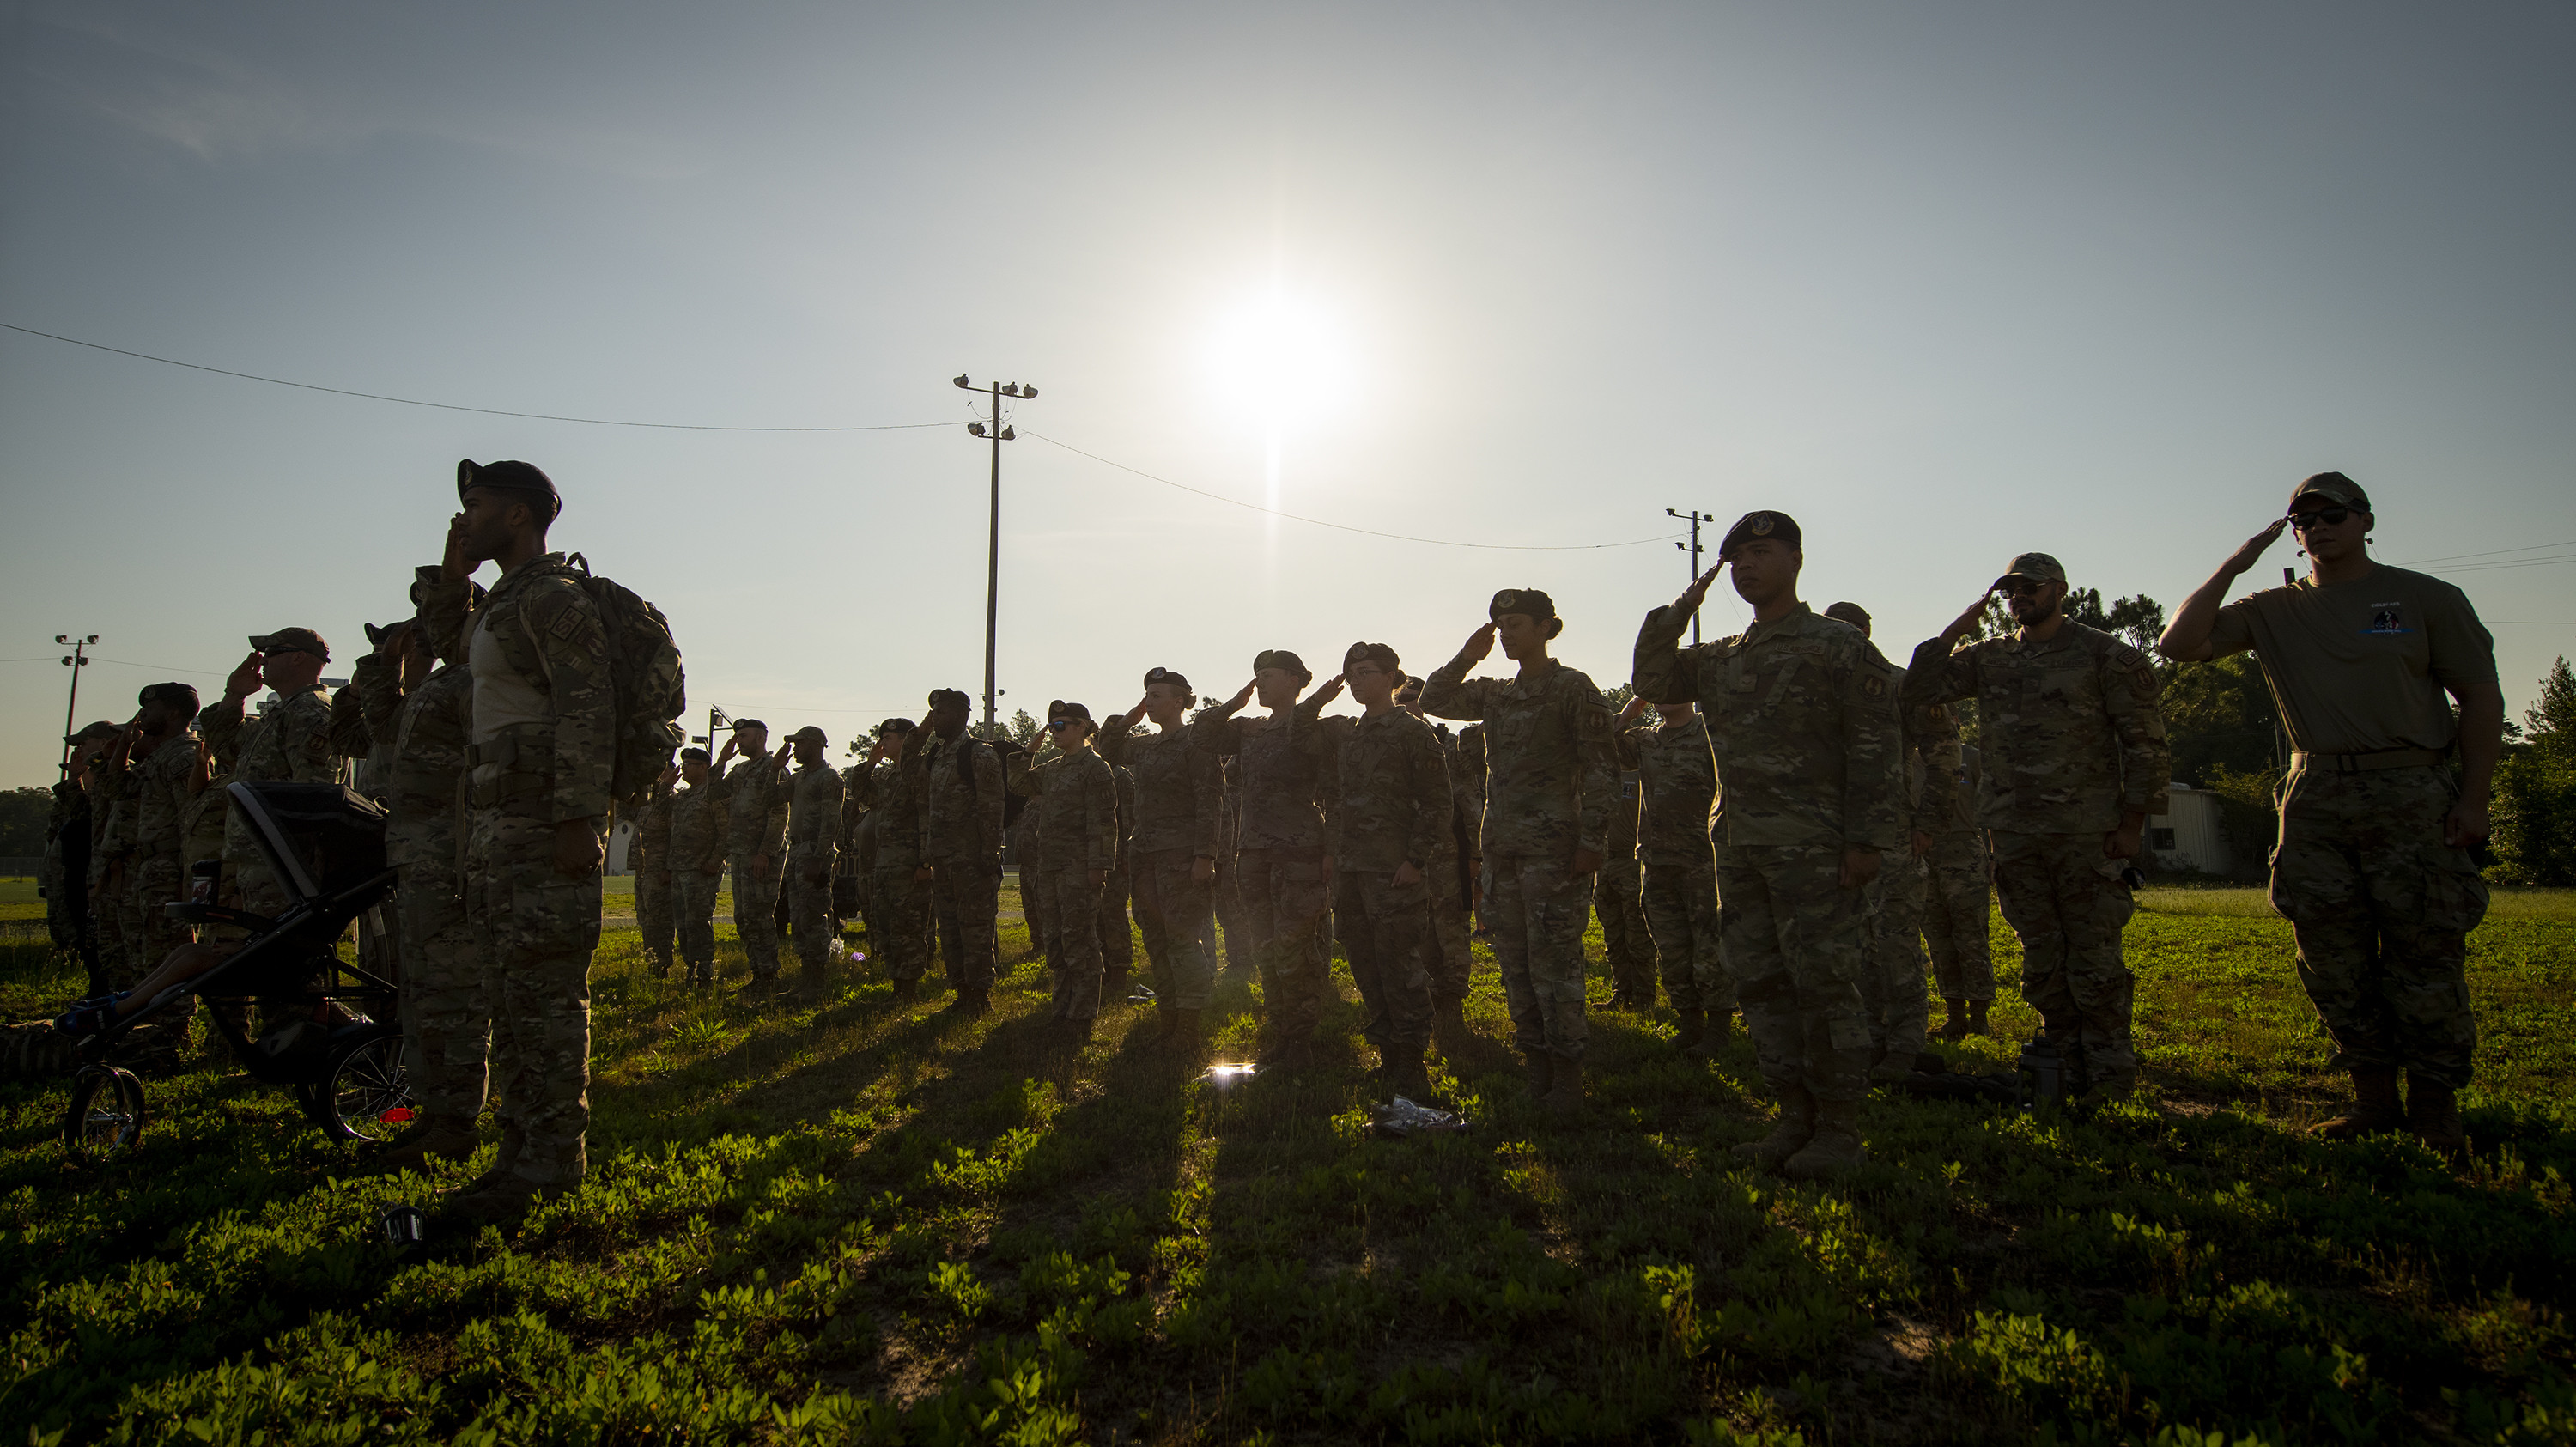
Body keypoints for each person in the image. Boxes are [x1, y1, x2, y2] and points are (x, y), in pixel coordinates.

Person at [2157, 471, 2500, 1152]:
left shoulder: (2427, 598)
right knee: (2331, 956)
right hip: (2316, 795)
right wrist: (2235, 563)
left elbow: (2481, 698)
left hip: (2411, 789)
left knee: (2425, 950)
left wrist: (2475, 797)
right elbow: (2178, 643)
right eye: (2303, 518)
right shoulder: (2273, 608)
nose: (2317, 526)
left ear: (2366, 519)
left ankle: (2434, 1108)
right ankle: (2373, 1100)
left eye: (2332, 513)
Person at [1634, 513, 1903, 1178]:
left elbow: (1875, 750)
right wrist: (1677, 608)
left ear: (1796, 559)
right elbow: (1652, 680)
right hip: (1742, 847)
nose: (1746, 566)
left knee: (1825, 984)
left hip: (1817, 847)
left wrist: (1866, 840)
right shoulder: (1723, 655)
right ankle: (1792, 1116)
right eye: (1737, 559)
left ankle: (1839, 1128)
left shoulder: (1839, 646)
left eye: (1760, 552)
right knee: (1760, 982)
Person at [420, 457, 615, 1221]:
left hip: (543, 822)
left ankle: (552, 1164)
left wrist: (576, 819)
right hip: (499, 822)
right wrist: (450, 566)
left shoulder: (554, 598)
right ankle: (517, 1156)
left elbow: (588, 706)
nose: (462, 516)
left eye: (475, 504)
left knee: (545, 996)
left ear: (517, 515)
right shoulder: (496, 605)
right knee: (508, 991)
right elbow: (449, 646)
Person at [1907, 550, 2169, 1104]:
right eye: (2010, 590)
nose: (2019, 597)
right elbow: (1922, 684)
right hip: (2015, 833)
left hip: (2086, 832)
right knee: (2042, 956)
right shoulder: (1991, 658)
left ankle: (2111, 1075)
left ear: (2059, 590)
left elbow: (2144, 743)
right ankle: (2064, 1066)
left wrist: (2133, 825)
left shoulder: (2105, 655)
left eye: (2030, 587)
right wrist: (1962, 623)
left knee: (2094, 957)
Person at [1420, 588, 1617, 1118]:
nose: (1505, 633)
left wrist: (1592, 842)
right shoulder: (1495, 695)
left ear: (1546, 628)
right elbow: (1432, 699)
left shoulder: (1572, 688)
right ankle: (1536, 1068)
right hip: (1502, 849)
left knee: (1556, 963)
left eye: (1515, 624)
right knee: (1515, 963)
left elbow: (1602, 770)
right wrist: (1467, 655)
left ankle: (1570, 1078)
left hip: (1555, 852)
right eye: (1499, 625)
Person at [368, 605, 486, 1172]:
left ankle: (457, 1120)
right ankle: (432, 1111)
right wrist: (387, 665)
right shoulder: (439, 683)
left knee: (457, 996)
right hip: (418, 862)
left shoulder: (477, 680)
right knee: (420, 992)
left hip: (454, 862)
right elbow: (380, 728)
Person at [1823, 600, 1955, 1082]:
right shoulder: (1819, 687)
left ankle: (1903, 1045)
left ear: (1866, 633)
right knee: (1850, 944)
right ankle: (1867, 1039)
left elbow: (1944, 758)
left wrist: (1927, 825)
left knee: (1896, 942)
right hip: (1832, 837)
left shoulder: (1904, 685)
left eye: (1851, 631)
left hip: (1893, 836)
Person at [1195, 651, 1340, 1067]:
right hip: (1253, 853)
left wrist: (1331, 849)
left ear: (1296, 680)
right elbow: (1201, 735)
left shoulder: (1313, 728)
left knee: (1297, 949)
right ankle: (1282, 1033)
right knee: (1266, 948)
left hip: (1299, 852)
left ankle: (1302, 1040)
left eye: (1268, 675)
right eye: (1255, 675)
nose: (1259, 681)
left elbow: (1333, 790)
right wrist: (1233, 704)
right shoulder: (1247, 730)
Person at [1324, 643, 1448, 1095]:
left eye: (1366, 672)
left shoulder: (1412, 733)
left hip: (1395, 870)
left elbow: (1437, 802)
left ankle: (1413, 1060)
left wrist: (1416, 860)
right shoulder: (1352, 734)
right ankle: (1387, 1052)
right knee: (1364, 961)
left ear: (1392, 676)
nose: (1356, 680)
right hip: (1355, 870)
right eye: (1351, 673)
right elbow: (1339, 803)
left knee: (1399, 963)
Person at [1099, 669, 1224, 1050]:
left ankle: (1189, 1028)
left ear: (1179, 701)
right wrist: (1129, 718)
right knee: (1155, 940)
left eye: (1156, 696)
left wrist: (1205, 855)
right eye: (1146, 696)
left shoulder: (1196, 745)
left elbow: (1210, 801)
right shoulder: (1146, 745)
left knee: (1184, 941)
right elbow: (1107, 748)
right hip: (1147, 858)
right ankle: (1167, 1020)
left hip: (1182, 858)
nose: (1149, 702)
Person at [202, 627, 342, 925]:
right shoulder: (283, 712)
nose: (262, 661)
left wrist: (291, 864)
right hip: (261, 858)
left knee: (283, 959)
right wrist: (234, 695)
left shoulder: (310, 711)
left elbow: (312, 795)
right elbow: (227, 749)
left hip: (283, 862)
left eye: (272, 652)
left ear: (298, 658)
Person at [1625, 695, 1732, 1059]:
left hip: (1702, 861)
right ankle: (1690, 1023)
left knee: (1709, 949)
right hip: (1657, 862)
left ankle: (1719, 1028)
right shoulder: (1645, 739)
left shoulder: (1709, 734)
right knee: (1671, 950)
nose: (1665, 696)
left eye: (1673, 687)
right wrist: (1627, 712)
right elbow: (1597, 741)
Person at [1006, 702, 1119, 1045]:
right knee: (1055, 940)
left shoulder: (1095, 769)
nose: (1054, 731)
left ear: (1082, 728)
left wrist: (1099, 866)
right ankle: (1061, 1010)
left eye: (1061, 725)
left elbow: (1104, 823)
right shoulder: (1053, 768)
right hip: (1051, 866)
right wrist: (1027, 751)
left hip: (1079, 868)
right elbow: (1016, 784)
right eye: (1052, 725)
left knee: (1080, 940)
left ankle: (1082, 1015)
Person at [1397, 676, 1479, 1037]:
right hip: (1409, 852)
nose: (1407, 705)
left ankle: (1454, 993)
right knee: (1421, 924)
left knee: (1451, 922)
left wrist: (1476, 851)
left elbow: (1469, 801)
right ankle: (1430, 987)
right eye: (1401, 701)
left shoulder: (1447, 743)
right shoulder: (1394, 746)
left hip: (1447, 850)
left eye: (1412, 698)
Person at [916, 690, 1005, 1016]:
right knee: (950, 928)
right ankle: (961, 991)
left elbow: (992, 807)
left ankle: (980, 995)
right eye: (933, 712)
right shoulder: (937, 755)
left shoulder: (978, 754)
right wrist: (928, 848)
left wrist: (989, 853)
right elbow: (920, 792)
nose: (935, 718)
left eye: (940, 713)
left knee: (976, 927)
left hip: (971, 860)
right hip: (942, 858)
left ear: (961, 716)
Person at [711, 720, 792, 989]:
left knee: (760, 916)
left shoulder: (775, 769)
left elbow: (779, 813)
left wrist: (766, 853)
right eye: (737, 736)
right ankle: (758, 973)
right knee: (744, 918)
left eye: (743, 736)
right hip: (742, 853)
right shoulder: (741, 770)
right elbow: (714, 793)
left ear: (760, 737)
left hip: (762, 855)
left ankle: (769, 976)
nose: (739, 741)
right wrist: (721, 762)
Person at [856, 720, 934, 1001]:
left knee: (909, 927)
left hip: (908, 863)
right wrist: (869, 766)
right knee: (886, 925)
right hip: (885, 863)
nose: (882, 743)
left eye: (889, 738)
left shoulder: (919, 772)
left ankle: (910, 988)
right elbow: (862, 795)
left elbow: (927, 814)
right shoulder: (887, 775)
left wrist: (926, 862)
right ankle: (896, 985)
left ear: (906, 740)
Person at [1924, 737, 1996, 1039]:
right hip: (1924, 856)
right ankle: (1955, 1017)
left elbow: (1992, 809)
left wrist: (1994, 855)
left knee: (1972, 939)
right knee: (1939, 941)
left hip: (1964, 852)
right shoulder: (1913, 761)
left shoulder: (1973, 758)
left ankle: (1979, 1019)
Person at [1597, 714, 1656, 1011]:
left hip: (1631, 864)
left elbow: (1616, 728)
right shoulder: (1598, 775)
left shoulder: (1638, 771)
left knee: (1638, 938)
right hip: (1605, 865)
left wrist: (1627, 714)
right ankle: (1621, 992)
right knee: (1614, 937)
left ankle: (1644, 997)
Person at [781, 726, 845, 999]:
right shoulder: (800, 778)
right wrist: (775, 768)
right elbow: (768, 798)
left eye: (800, 743)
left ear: (817, 744)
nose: (795, 748)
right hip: (796, 851)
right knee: (798, 918)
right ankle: (805, 980)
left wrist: (819, 858)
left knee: (814, 916)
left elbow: (831, 821)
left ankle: (818, 983)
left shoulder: (828, 777)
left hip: (813, 852)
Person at [667, 748, 725, 987]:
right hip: (680, 870)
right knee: (683, 924)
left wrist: (714, 860)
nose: (684, 768)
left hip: (702, 871)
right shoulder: (683, 796)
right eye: (683, 763)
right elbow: (659, 811)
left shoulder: (713, 795)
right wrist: (665, 786)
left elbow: (726, 831)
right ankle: (691, 968)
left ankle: (704, 974)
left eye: (689, 764)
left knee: (699, 922)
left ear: (703, 767)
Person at [634, 763, 678, 978]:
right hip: (644, 869)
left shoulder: (670, 800)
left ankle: (662, 964)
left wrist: (668, 868)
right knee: (646, 919)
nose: (658, 777)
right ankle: (652, 961)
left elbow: (675, 836)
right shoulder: (649, 801)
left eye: (662, 772)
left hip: (659, 870)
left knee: (660, 919)